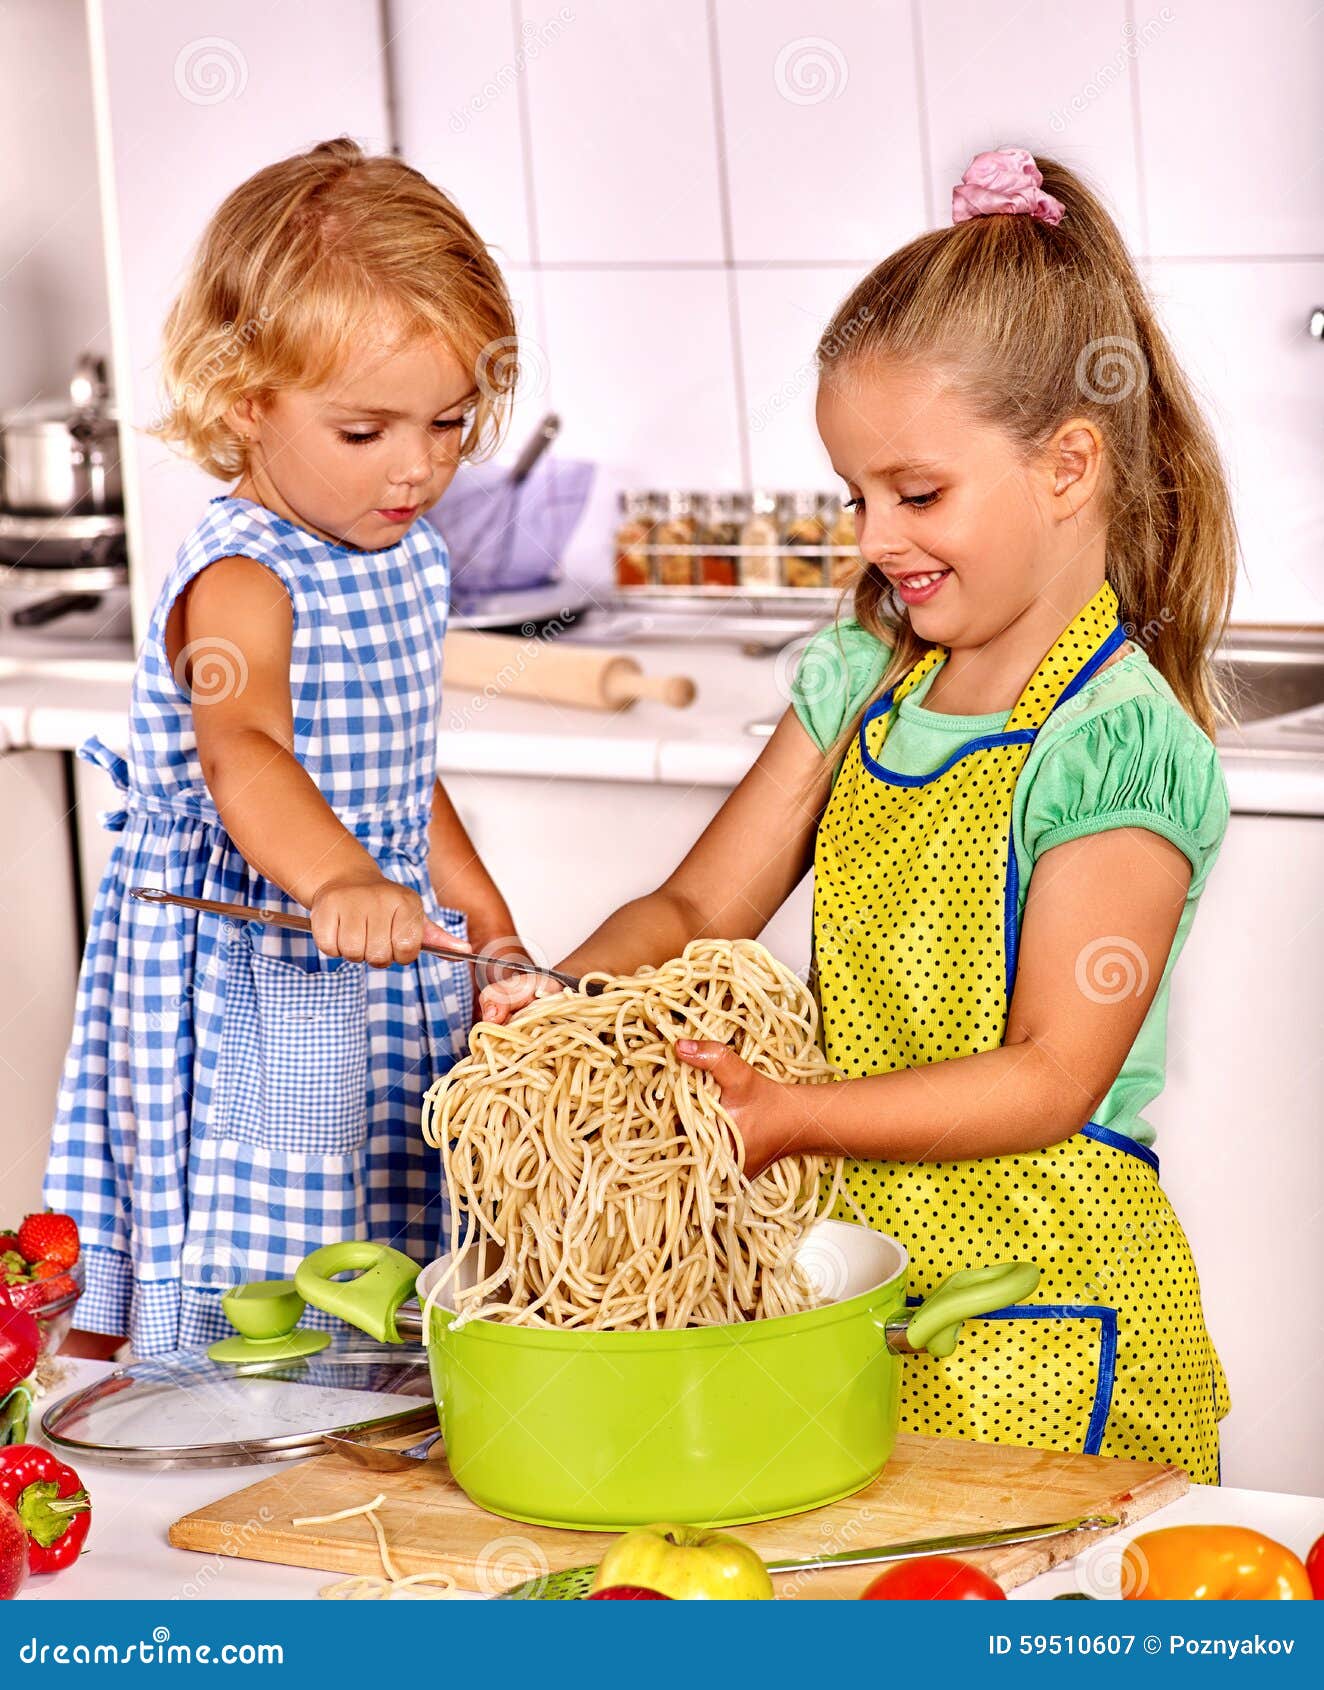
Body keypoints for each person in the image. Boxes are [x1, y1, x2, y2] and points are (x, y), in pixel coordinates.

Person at [484, 149, 1236, 1483]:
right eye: (857, 495)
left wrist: (788, 1116)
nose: (876, 536)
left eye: (918, 492)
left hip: (1048, 1305)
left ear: (1069, 464)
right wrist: (573, 996)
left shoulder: (1117, 745)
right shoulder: (864, 676)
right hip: (855, 1282)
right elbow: (699, 907)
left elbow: (1052, 1073)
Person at [46, 137, 526, 1358]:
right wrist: (339, 878)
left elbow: (398, 774)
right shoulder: (246, 573)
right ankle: (239, 1412)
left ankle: (365, 1423)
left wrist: (484, 922)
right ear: (247, 400)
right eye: (366, 430)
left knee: (382, 1223)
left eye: (450, 423)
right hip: (261, 970)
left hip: (373, 952)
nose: (417, 465)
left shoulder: (404, 551)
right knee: (273, 1258)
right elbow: (244, 752)